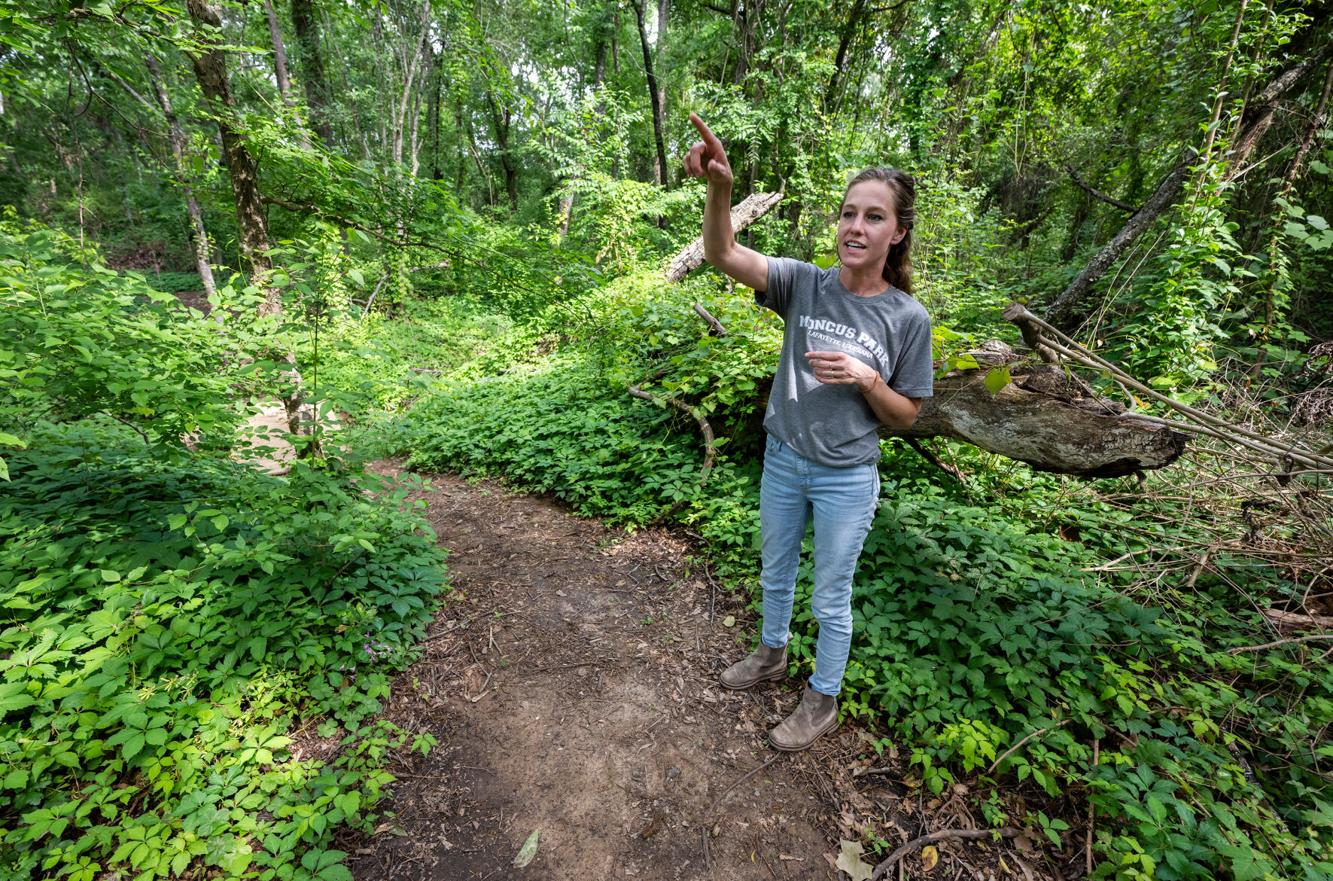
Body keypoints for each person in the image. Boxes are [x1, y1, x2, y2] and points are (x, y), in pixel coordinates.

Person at [682, 113, 933, 751]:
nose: (856, 226)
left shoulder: (907, 319)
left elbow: (909, 416)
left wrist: (866, 379)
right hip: (785, 459)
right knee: (774, 571)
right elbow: (721, 253)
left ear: (897, 233)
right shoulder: (804, 284)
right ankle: (770, 655)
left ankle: (823, 696)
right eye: (850, 213)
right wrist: (720, 190)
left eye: (874, 217)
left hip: (847, 475)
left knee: (830, 594)